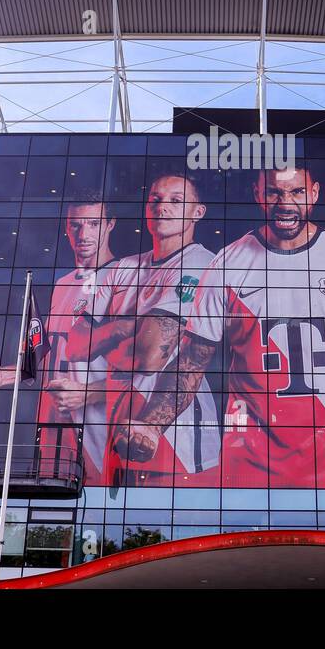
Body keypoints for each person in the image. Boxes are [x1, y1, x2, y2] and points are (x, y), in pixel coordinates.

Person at [113, 164, 325, 489]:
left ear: (313, 194)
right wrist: (151, 424)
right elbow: (191, 363)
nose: (285, 204)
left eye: (296, 193)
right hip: (250, 460)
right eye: (274, 193)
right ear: (258, 194)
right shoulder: (227, 265)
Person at [0, 190, 117, 483]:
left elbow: (145, 374)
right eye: (76, 224)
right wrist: (3, 375)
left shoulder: (126, 277)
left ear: (110, 225)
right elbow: (47, 357)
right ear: (66, 227)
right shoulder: (63, 283)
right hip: (55, 422)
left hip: (98, 426)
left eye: (93, 223)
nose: (83, 233)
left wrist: (88, 393)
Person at [91, 171, 220, 486]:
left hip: (175, 435)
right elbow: (77, 343)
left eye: (177, 201)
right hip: (116, 417)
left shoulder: (201, 264)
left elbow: (149, 356)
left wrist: (110, 335)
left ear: (197, 213)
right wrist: (132, 330)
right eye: (156, 200)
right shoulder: (125, 267)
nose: (163, 207)